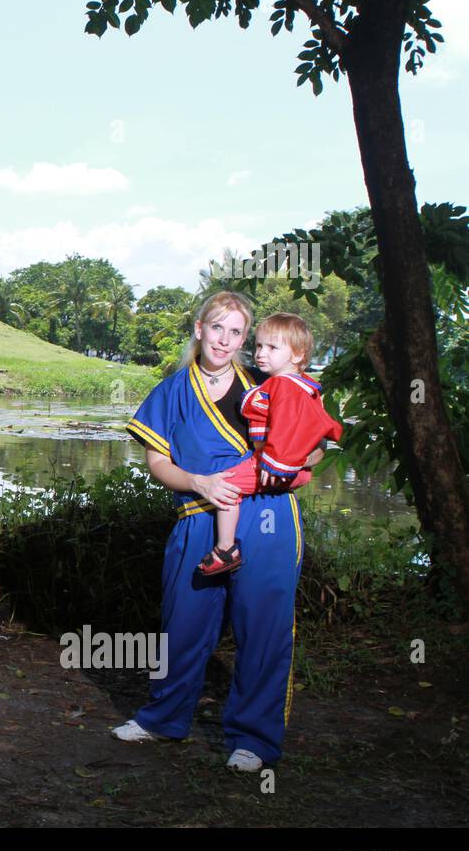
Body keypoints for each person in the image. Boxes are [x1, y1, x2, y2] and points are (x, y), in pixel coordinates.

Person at [112, 291, 323, 772]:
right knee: (182, 624)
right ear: (199, 328)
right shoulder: (170, 391)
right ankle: (164, 718)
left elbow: (313, 449)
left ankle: (253, 739)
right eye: (217, 328)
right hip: (197, 515)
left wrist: (296, 461)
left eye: (236, 333)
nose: (225, 340)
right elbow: (157, 463)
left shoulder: (270, 384)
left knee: (263, 629)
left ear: (246, 339)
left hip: (267, 517)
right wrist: (199, 481)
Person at [199, 312, 343, 575]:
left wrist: (277, 463)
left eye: (272, 348)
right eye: (259, 346)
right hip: (293, 467)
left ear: (297, 355)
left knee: (225, 486)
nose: (261, 353)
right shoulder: (303, 384)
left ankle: (226, 549)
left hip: (275, 463)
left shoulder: (284, 386)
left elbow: (287, 428)